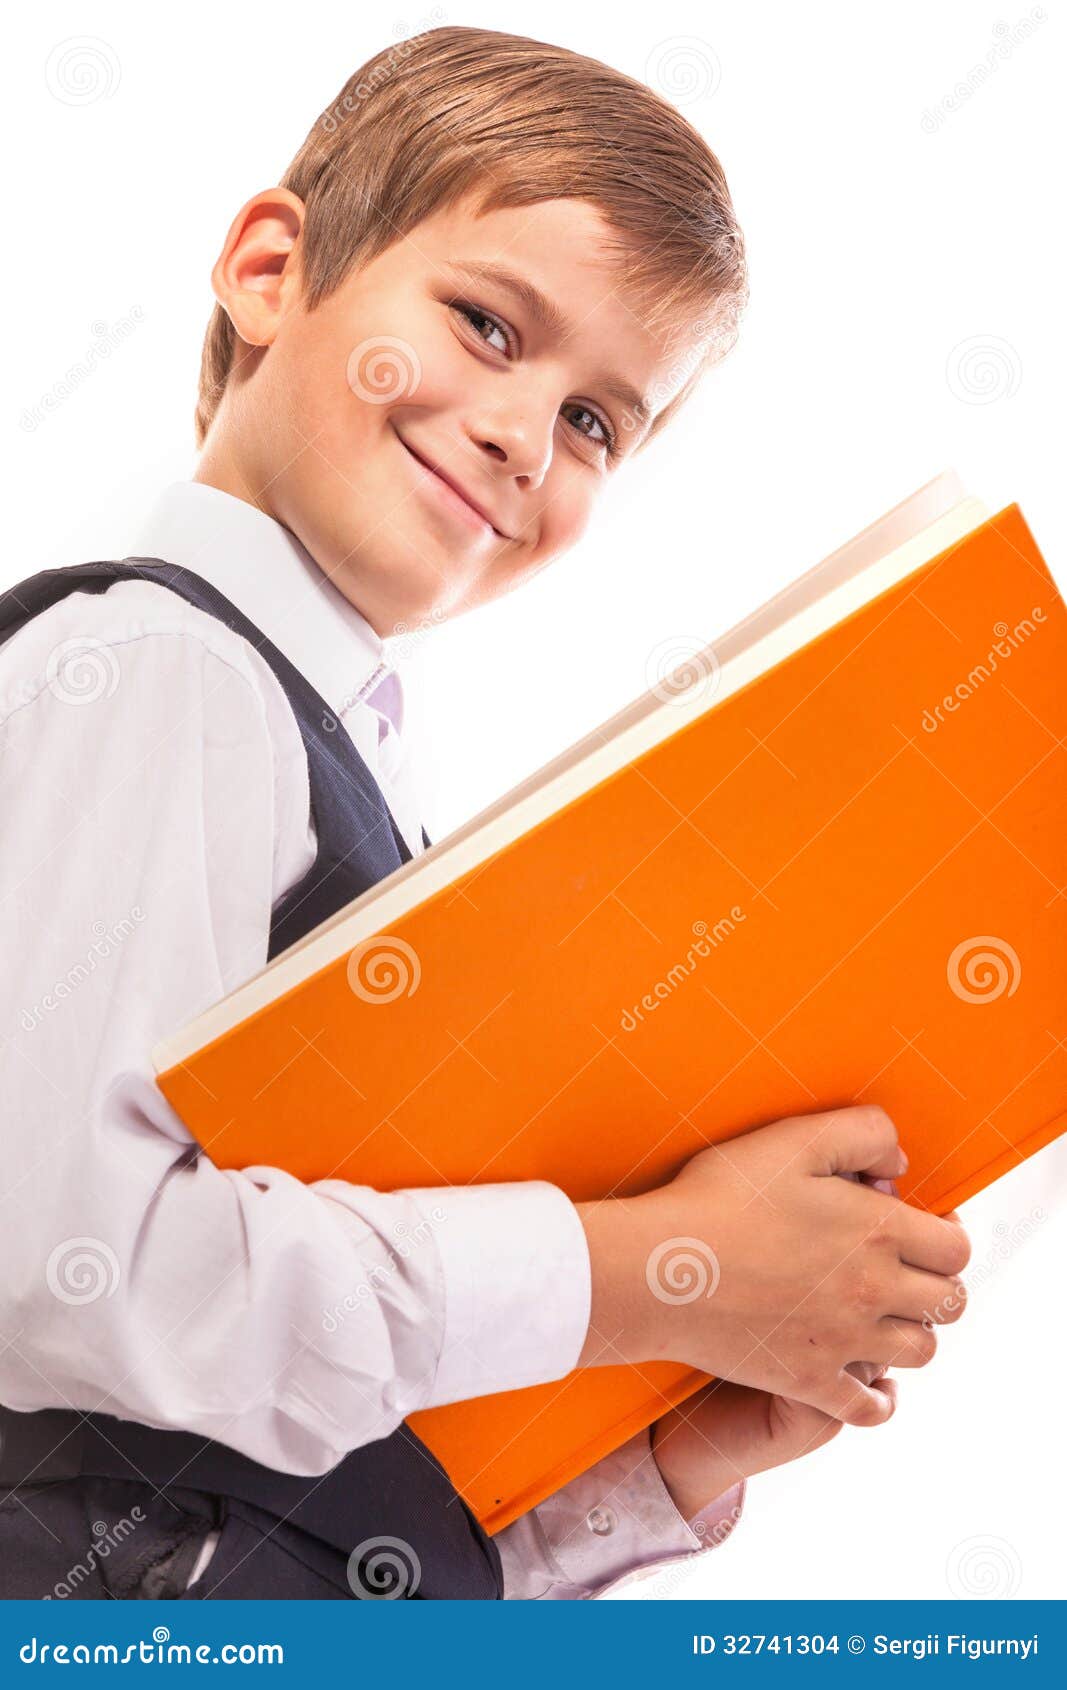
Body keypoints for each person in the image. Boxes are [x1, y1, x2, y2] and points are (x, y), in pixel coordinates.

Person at [0, 24, 970, 1600]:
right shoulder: (160, 666)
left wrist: (655, 1466)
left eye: (599, 421)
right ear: (267, 271)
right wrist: (649, 1271)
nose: (528, 435)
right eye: (487, 325)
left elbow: (282, 1496)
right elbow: (66, 1276)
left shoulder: (358, 783)